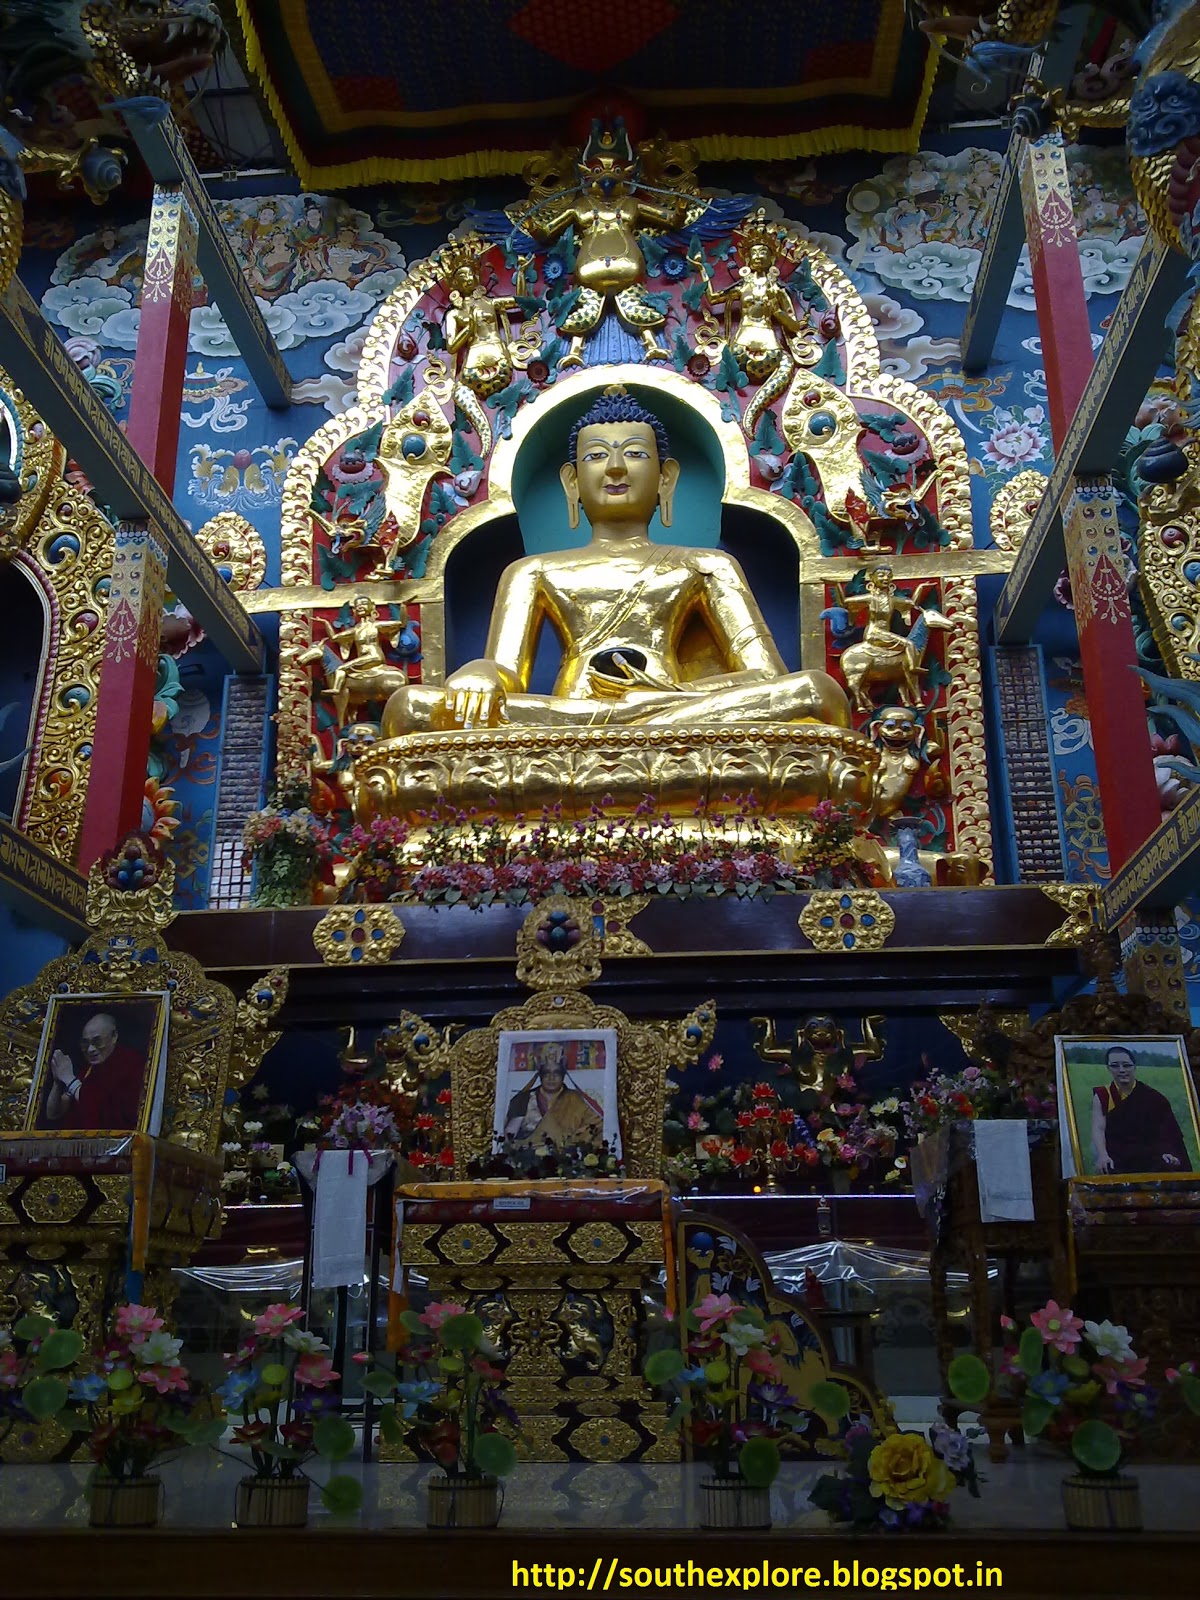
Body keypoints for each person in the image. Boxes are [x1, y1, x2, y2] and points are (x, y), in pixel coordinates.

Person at [382, 390, 850, 737]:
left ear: (666, 478)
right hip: (568, 720)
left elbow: (767, 676)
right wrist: (481, 673)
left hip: (677, 713)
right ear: (572, 482)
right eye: (597, 457)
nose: (616, 469)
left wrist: (666, 698)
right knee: (410, 708)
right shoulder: (532, 571)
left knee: (815, 692)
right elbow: (508, 673)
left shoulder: (707, 566)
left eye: (635, 454)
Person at [1091, 1044, 1192, 1175]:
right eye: (1115, 1066)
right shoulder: (1103, 1095)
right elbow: (1098, 1127)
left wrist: (1168, 1152)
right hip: (1116, 1154)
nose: (1121, 1070)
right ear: (1108, 1068)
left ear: (1134, 1067)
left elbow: (1168, 1131)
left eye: (1126, 1065)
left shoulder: (1154, 1097)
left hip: (1150, 1154)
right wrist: (1102, 1155)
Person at [39, 1010, 148, 1131]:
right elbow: (53, 1113)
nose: (90, 1049)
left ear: (114, 1036)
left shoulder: (130, 1063)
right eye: (85, 1043)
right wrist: (58, 1081)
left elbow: (98, 1108)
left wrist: (70, 1079)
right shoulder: (89, 1070)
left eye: (97, 1041)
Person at [504, 1045, 603, 1151]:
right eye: (546, 1073)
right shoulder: (523, 1099)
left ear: (563, 1075)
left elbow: (597, 1126)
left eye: (556, 1073)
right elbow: (508, 1136)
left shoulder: (577, 1100)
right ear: (540, 1075)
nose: (551, 1078)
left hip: (568, 1160)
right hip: (528, 1158)